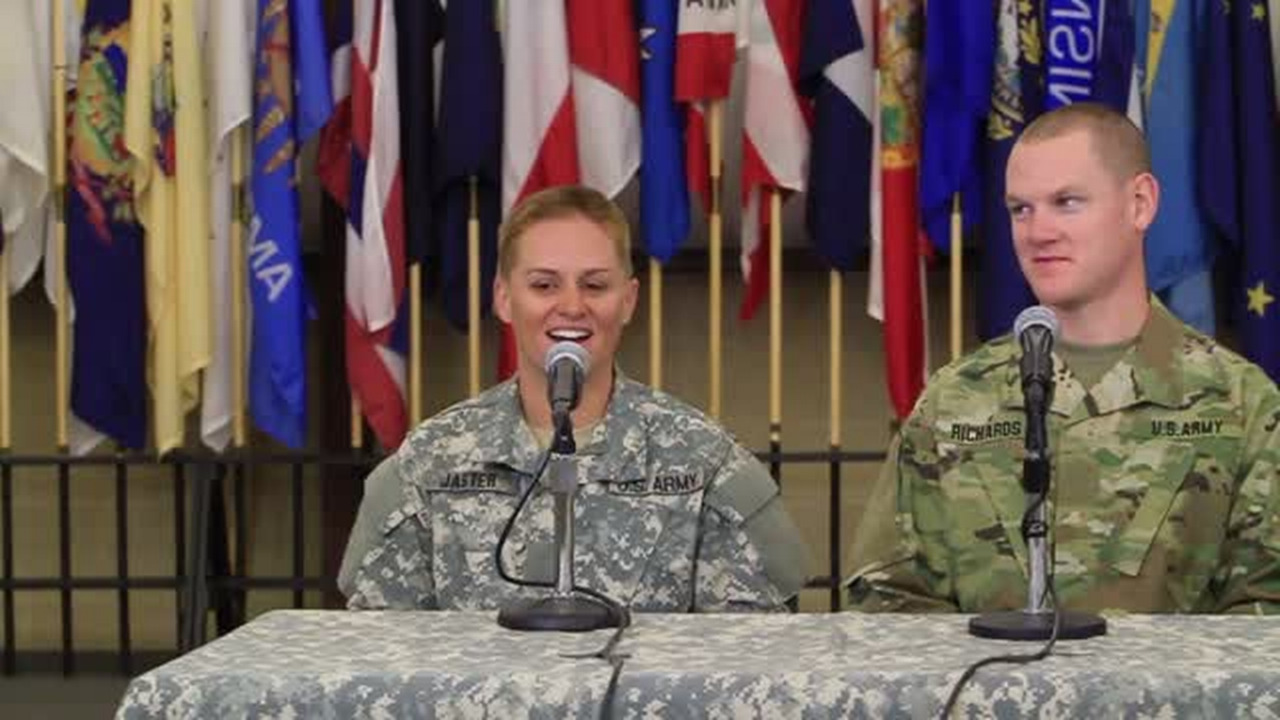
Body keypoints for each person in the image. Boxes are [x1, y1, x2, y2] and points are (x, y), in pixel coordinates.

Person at [847, 103, 1280, 614]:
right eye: (1020, 209)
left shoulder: (1240, 405)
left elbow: (1266, 612)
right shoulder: (956, 401)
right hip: (980, 691)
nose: (1038, 232)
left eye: (1067, 202)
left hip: (1170, 696)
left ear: (1140, 203)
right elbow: (883, 599)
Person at [339, 185, 811, 612]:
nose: (571, 305)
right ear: (504, 299)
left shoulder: (705, 460)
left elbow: (753, 659)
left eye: (595, 285)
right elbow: (380, 657)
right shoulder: (429, 461)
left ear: (628, 301)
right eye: (544, 285)